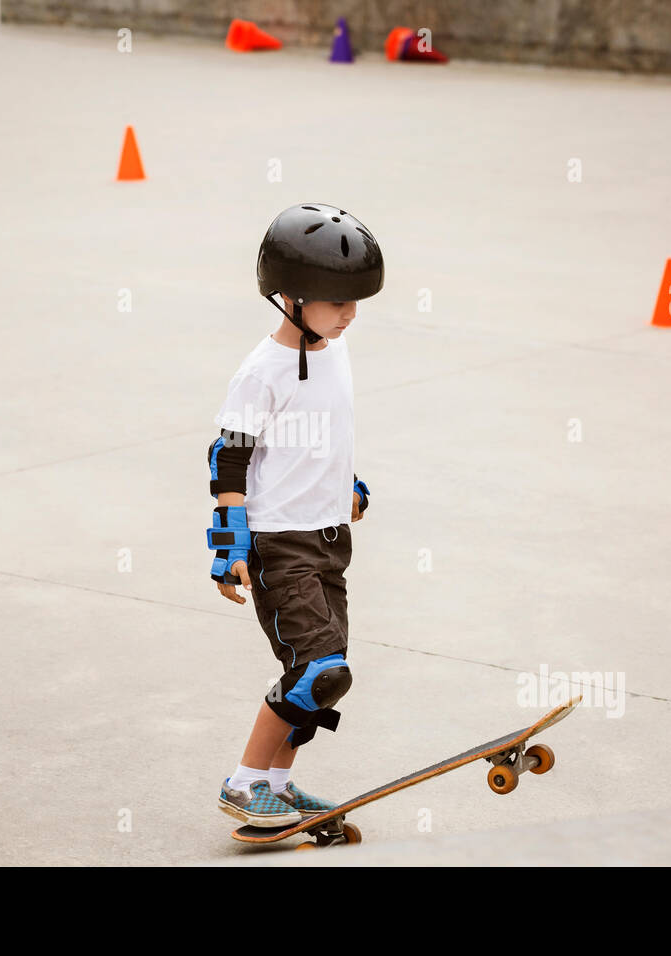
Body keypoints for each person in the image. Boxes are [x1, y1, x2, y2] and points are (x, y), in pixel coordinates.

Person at [206, 202, 384, 827]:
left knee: (323, 674)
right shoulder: (262, 372)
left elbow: (325, 430)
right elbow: (228, 459)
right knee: (318, 670)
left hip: (329, 537)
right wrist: (229, 546)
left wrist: (347, 485)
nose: (350, 314)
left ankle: (277, 785)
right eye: (337, 302)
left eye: (355, 301)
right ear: (289, 298)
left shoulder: (335, 348)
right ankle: (244, 782)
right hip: (279, 542)